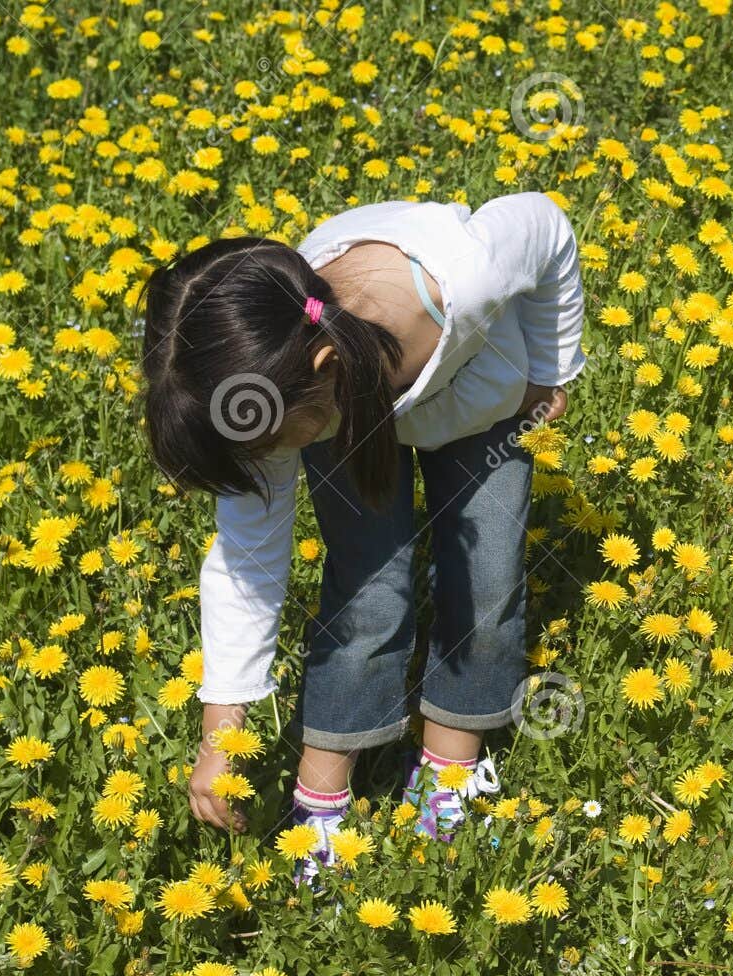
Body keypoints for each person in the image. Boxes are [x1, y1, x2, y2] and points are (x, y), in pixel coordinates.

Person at [139, 191, 585, 878]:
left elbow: (546, 225)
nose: (265, 466)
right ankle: (320, 807)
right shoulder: (276, 391)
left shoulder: (465, 275)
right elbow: (247, 563)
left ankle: (449, 774)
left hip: (483, 405)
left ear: (318, 374)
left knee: (487, 577)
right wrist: (219, 734)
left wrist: (552, 371)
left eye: (264, 450)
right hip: (343, 406)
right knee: (368, 585)